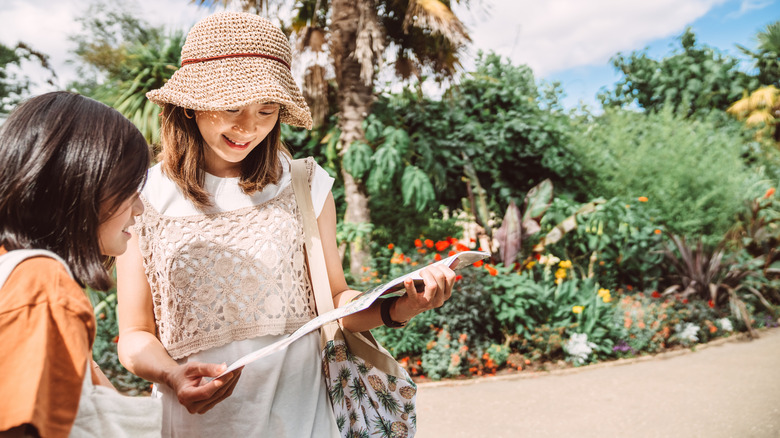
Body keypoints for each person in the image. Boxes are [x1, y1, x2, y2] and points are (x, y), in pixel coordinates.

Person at [115, 11, 456, 437]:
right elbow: (133, 334)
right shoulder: (143, 196)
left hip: (305, 418)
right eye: (232, 106)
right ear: (190, 105)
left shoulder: (304, 184)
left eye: (266, 109)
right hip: (194, 423)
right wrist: (171, 375)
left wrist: (402, 304)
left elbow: (336, 303)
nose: (249, 127)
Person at [0, 91, 150, 437]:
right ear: (84, 185)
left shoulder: (14, 271)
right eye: (130, 188)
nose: (139, 208)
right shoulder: (43, 284)